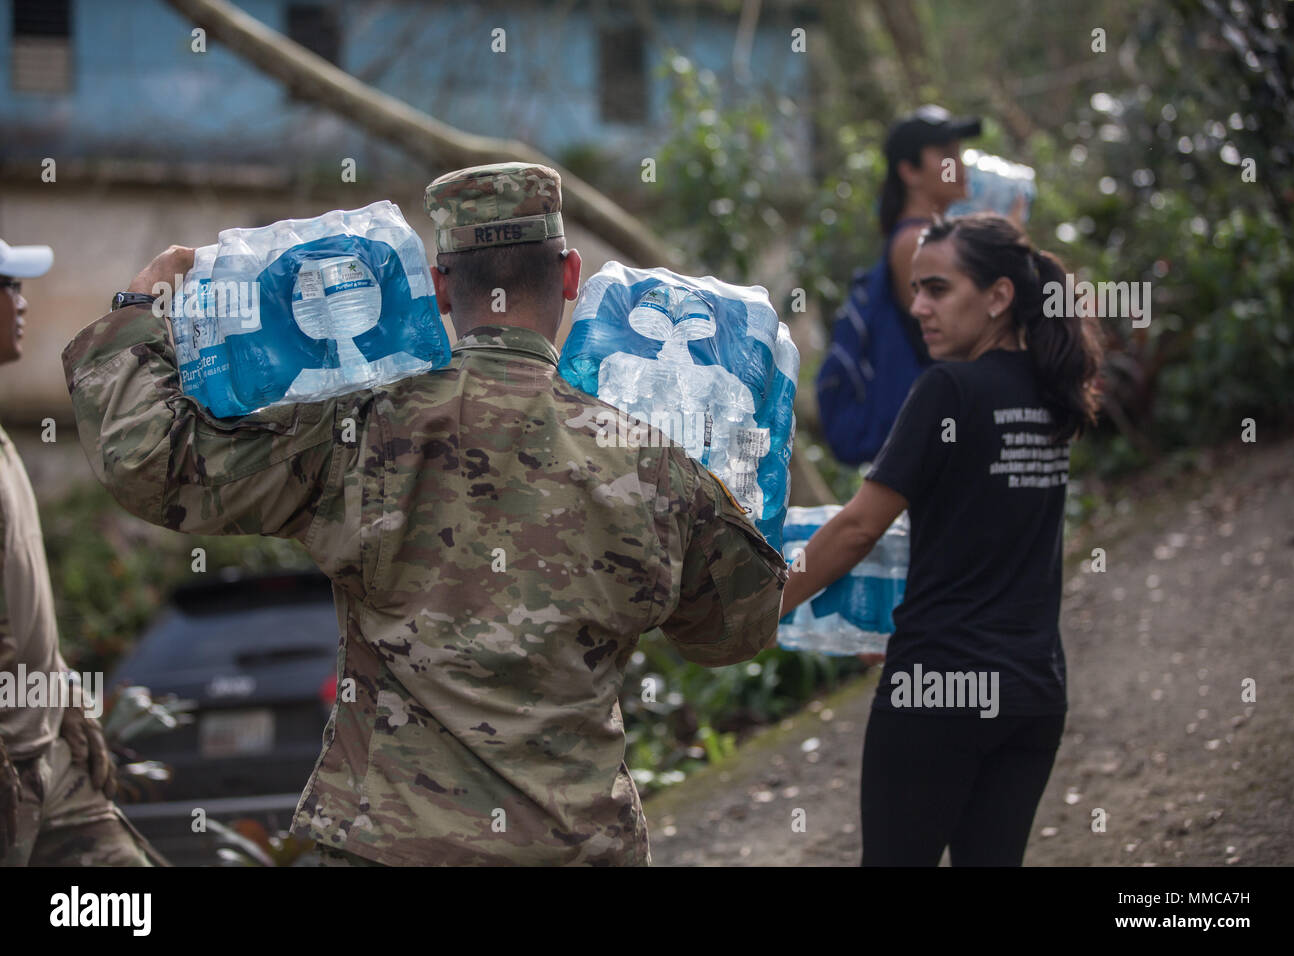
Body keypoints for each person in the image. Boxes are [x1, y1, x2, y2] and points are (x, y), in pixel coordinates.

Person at [61, 163, 789, 866]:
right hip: (575, 848)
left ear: (440, 288)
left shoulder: (361, 430)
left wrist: (136, 312)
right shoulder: (652, 462)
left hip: (392, 847)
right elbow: (733, 630)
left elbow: (155, 464)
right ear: (569, 277)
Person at [783, 213, 1102, 866]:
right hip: (1031, 692)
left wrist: (761, 603)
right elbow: (971, 531)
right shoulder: (1051, 391)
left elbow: (859, 527)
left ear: (997, 296)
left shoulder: (948, 390)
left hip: (938, 691)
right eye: (915, 290)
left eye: (937, 289)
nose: (918, 307)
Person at [0, 239, 163, 866]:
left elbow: (20, 610)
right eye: (7, 286)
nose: (22, 302)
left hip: (52, 766)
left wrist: (66, 698)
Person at [816, 105, 983, 467]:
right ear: (908, 171)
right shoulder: (916, 242)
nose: (960, 164)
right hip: (932, 436)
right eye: (945, 154)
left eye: (959, 152)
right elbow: (961, 336)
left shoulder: (934, 235)